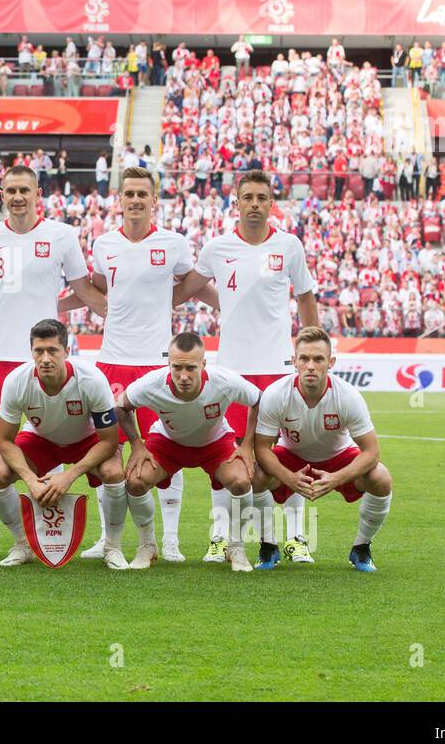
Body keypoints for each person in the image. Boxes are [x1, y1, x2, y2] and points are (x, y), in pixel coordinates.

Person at [0, 165, 106, 556]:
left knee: (48, 437)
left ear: (39, 194)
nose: (18, 196)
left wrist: (113, 313)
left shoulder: (62, 235)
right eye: (10, 190)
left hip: (44, 354)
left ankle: (46, 532)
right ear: (1, 194)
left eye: (25, 190)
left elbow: (82, 288)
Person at [176, 170, 319, 568]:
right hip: (232, 371)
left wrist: (309, 349)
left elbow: (306, 297)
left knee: (287, 453)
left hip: (277, 367)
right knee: (227, 456)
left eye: (262, 197)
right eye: (248, 197)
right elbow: (189, 288)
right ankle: (220, 538)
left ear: (271, 204)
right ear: (235, 203)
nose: (254, 204)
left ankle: (295, 538)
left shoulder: (289, 246)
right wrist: (226, 302)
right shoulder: (217, 248)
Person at [80, 167, 219, 565]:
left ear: (154, 200)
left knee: (165, 450)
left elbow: (192, 284)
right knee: (109, 452)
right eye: (129, 194)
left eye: (143, 194)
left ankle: (170, 540)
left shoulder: (173, 243)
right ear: (119, 199)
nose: (136, 200)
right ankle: (108, 540)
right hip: (111, 361)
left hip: (159, 362)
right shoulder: (104, 244)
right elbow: (98, 286)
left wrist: (230, 303)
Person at [251, 327, 393, 572]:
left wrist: (336, 478)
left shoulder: (347, 396)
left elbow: (371, 451)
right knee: (254, 476)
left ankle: (361, 547)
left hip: (338, 458)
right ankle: (268, 545)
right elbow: (262, 448)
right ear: (294, 361)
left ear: (331, 362)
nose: (310, 366)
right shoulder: (276, 394)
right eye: (304, 359)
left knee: (381, 478)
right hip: (292, 457)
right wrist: (289, 479)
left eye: (318, 359)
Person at [0, 318, 124, 569]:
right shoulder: (17, 381)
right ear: (32, 352)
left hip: (87, 439)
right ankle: (23, 544)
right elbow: (4, 440)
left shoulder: (92, 379)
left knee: (114, 472)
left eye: (53, 350)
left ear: (67, 352)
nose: (45, 358)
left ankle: (112, 546)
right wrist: (30, 480)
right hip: (42, 438)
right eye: (39, 351)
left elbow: (110, 441)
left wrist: (68, 476)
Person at [117, 331, 257, 572]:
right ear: (168, 364)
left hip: (215, 442)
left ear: (204, 364)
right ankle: (147, 546)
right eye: (177, 367)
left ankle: (236, 548)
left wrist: (248, 445)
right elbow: (121, 406)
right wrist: (136, 444)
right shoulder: (152, 383)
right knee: (135, 481)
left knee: (242, 481)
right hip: (168, 442)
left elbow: (259, 402)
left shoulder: (224, 381)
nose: (183, 376)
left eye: (191, 368)